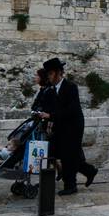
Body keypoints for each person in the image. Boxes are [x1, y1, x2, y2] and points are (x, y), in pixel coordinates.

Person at [35, 57, 97, 196]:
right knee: (60, 152)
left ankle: (71, 186)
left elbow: (72, 109)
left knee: (68, 156)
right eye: (48, 74)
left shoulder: (70, 87)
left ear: (58, 73)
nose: (49, 77)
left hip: (74, 126)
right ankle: (89, 171)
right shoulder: (51, 90)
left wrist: (50, 116)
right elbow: (49, 107)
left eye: (51, 74)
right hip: (60, 125)